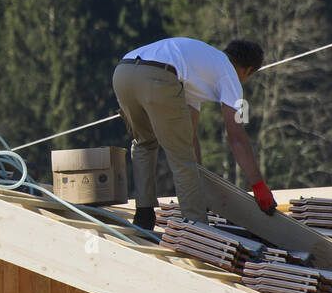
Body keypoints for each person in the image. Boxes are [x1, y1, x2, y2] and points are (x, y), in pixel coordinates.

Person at [112, 37, 276, 229]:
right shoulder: (230, 75)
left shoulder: (199, 68)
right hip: (158, 76)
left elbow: (189, 135)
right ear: (247, 71)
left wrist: (200, 185)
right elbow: (237, 137)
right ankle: (197, 226)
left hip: (123, 72)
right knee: (181, 158)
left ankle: (144, 216)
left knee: (144, 143)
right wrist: (258, 186)